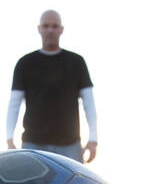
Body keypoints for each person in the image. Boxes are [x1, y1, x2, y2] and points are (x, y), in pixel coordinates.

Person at [5, 10, 97, 163]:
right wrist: (9, 139)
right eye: (46, 26)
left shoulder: (76, 62)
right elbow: (14, 103)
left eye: (55, 26)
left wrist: (93, 139)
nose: (50, 30)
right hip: (32, 144)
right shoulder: (25, 64)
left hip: (70, 145)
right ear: (39, 29)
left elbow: (89, 102)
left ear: (61, 29)